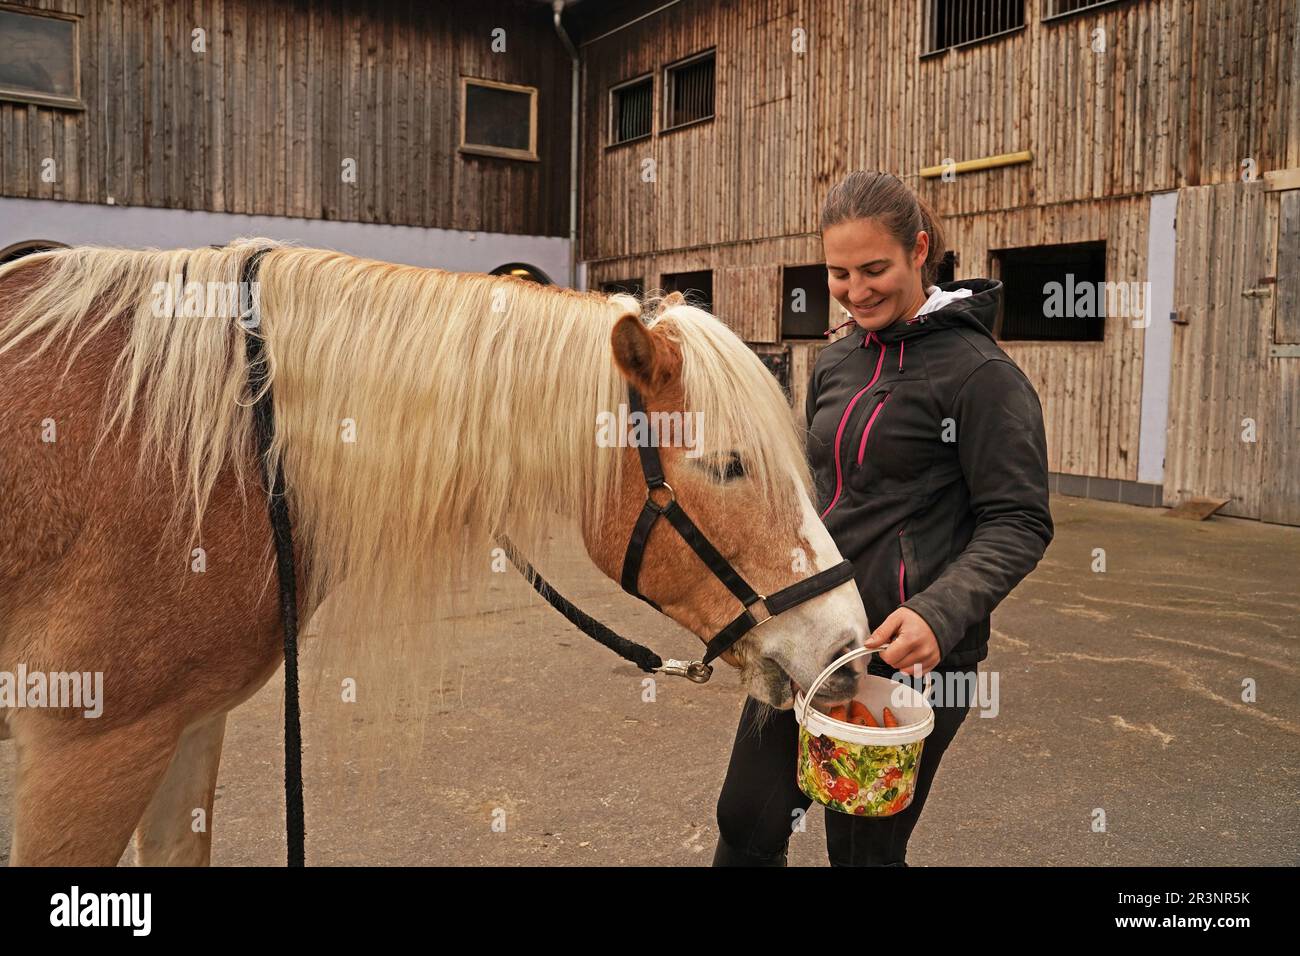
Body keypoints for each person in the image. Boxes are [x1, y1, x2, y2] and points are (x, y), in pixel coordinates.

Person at [712, 170, 1054, 866]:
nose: (856, 289)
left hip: (907, 660)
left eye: (875, 269)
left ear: (918, 250)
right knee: (746, 820)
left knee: (862, 851)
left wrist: (941, 611)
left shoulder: (980, 375)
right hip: (812, 636)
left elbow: (1018, 519)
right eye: (839, 272)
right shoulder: (837, 360)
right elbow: (815, 495)